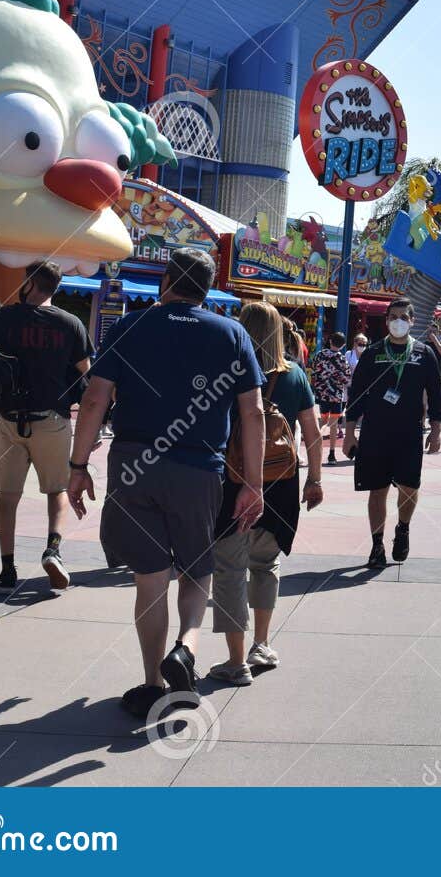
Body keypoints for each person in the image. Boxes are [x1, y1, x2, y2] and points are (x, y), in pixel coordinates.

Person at [68, 248, 265, 719]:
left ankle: (152, 683)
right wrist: (252, 483)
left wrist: (77, 466)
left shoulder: (130, 327)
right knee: (198, 569)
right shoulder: (232, 332)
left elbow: (95, 400)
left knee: (149, 579)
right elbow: (252, 411)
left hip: (134, 462)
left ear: (167, 281)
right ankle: (187, 647)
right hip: (199, 468)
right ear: (206, 286)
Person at [209, 302, 324, 685]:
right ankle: (261, 643)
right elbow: (311, 433)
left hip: (233, 481)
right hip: (281, 484)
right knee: (265, 565)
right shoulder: (295, 376)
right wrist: (315, 479)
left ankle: (236, 659)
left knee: (229, 568)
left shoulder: (228, 371)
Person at [0, 262, 93, 595]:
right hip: (52, 420)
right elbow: (87, 374)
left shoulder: (6, 317)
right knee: (57, 491)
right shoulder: (71, 324)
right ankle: (53, 549)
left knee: (8, 498)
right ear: (56, 286)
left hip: (10, 420)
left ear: (29, 284)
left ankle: (7, 570)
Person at [345, 296, 441, 568]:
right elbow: (356, 395)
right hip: (375, 433)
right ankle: (377, 545)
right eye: (393, 317)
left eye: (404, 317)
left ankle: (403, 529)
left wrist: (436, 431)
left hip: (410, 433)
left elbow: (436, 395)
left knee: (409, 487)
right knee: (376, 491)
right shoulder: (373, 353)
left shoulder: (424, 354)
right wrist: (349, 431)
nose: (398, 322)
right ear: (386, 320)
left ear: (412, 321)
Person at [310, 331, 352, 464]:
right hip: (336, 396)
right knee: (333, 425)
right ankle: (332, 454)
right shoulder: (342, 359)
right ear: (343, 345)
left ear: (330, 341)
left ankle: (315, 452)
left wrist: (318, 387)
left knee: (322, 422)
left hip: (323, 395)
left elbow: (314, 373)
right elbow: (346, 379)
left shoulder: (319, 355)